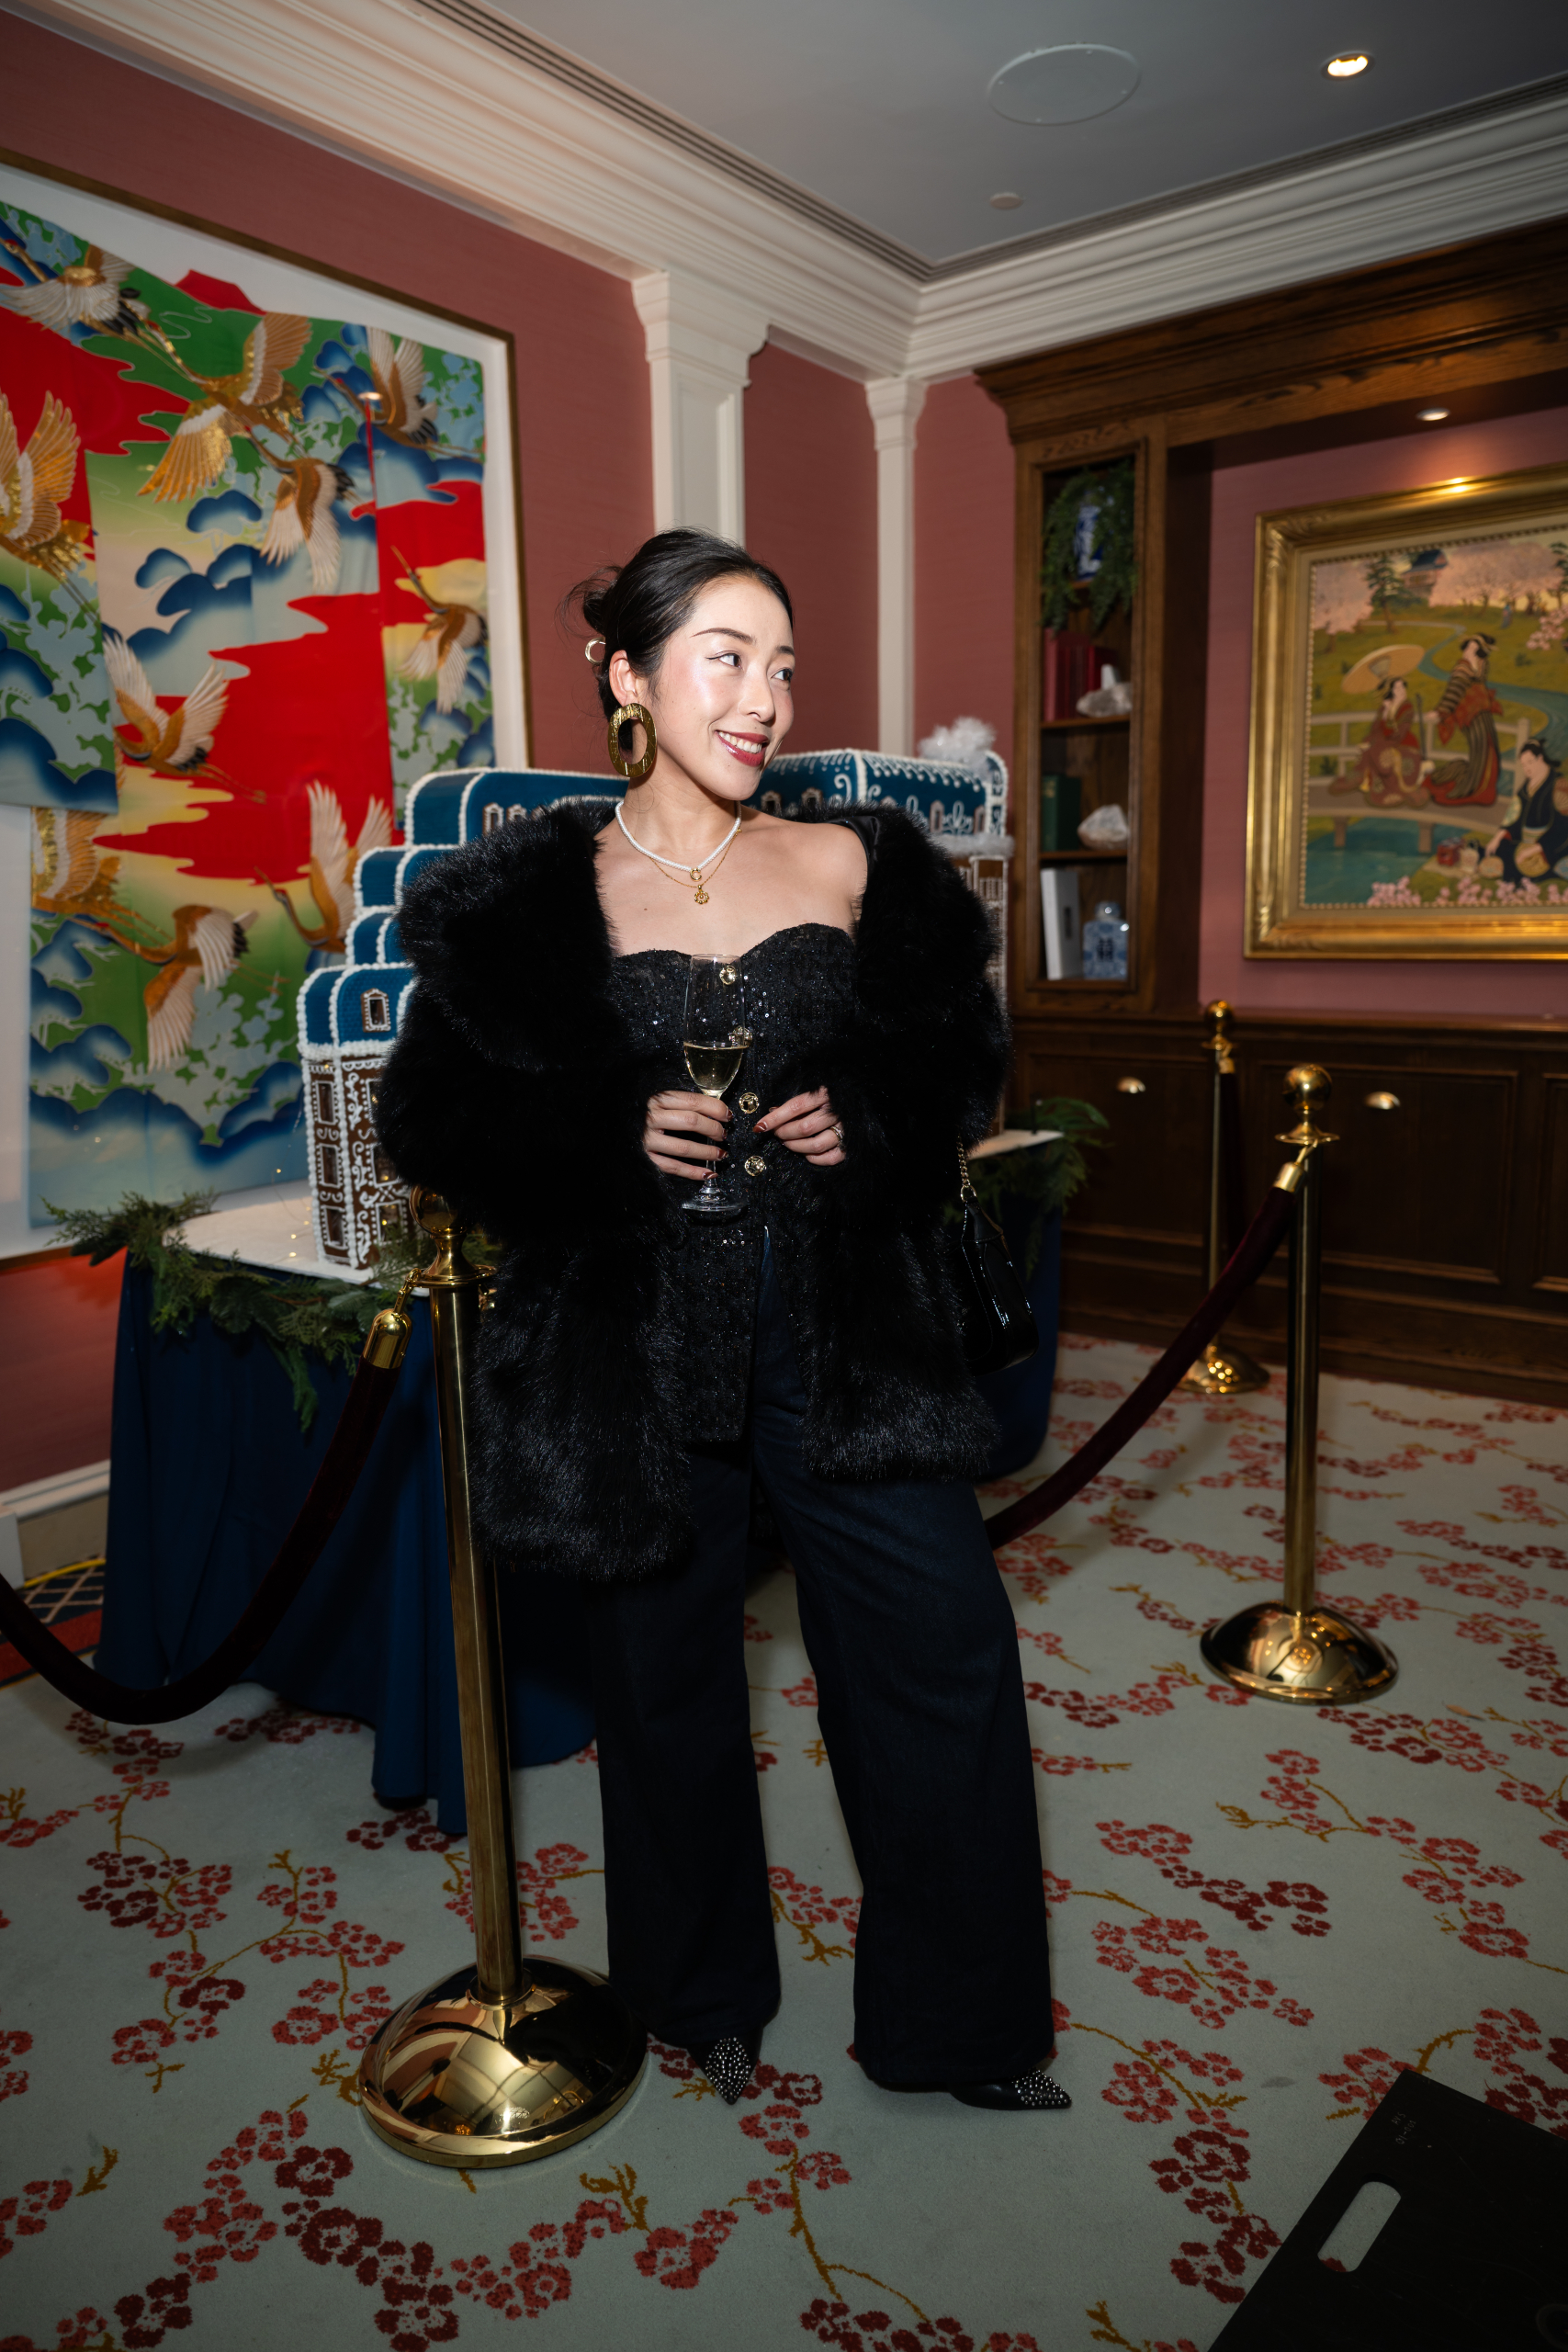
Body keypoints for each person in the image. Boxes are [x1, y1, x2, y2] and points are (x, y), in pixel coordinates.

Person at [377, 529, 1064, 2117]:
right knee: (662, 1687)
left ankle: (961, 2027)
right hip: (630, 1354)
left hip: (852, 1337)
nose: (765, 699)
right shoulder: (527, 895)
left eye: (783, 665)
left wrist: (865, 1125)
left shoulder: (854, 860)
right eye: (726, 658)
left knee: (944, 1652)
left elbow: (959, 1071)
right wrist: (602, 1135)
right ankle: (698, 1998)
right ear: (626, 674)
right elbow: (431, 1119)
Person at [1422, 634, 1503, 807]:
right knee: (1480, 749)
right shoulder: (1462, 668)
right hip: (1470, 716)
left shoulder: (1481, 665)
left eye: (1474, 648)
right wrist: (1440, 712)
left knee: (1489, 749)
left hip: (1483, 714)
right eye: (1467, 647)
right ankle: (1472, 787)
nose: (1468, 651)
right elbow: (1454, 691)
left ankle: (1484, 788)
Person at [1477, 737, 1568, 883]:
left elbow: (1563, 827)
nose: (1526, 769)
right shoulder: (1527, 786)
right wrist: (1498, 837)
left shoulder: (1560, 785)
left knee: (1516, 863)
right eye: (1523, 765)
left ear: (1540, 758)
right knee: (1498, 849)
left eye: (1530, 762)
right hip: (1524, 842)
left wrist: (1535, 848)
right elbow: (1514, 816)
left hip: (1549, 846)